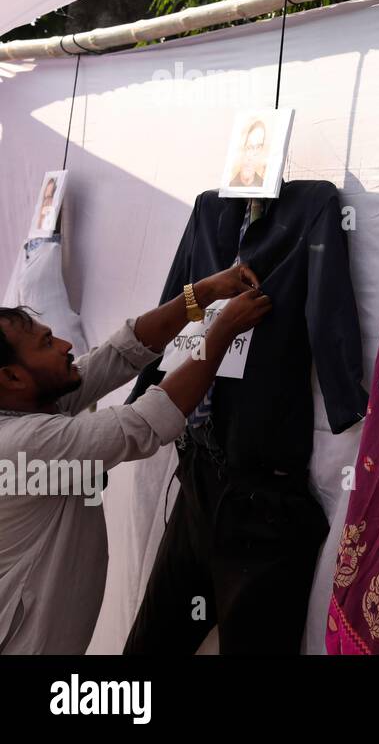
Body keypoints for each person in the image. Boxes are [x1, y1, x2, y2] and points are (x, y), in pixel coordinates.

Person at [0, 264, 270, 654]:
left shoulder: (29, 402)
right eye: (46, 344)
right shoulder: (19, 445)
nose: (64, 345)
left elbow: (120, 353)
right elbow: (142, 423)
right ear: (11, 378)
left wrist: (202, 294)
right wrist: (222, 330)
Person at [228, 119, 268, 189]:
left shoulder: (266, 187)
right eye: (249, 147)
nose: (251, 155)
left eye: (258, 147)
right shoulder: (228, 187)